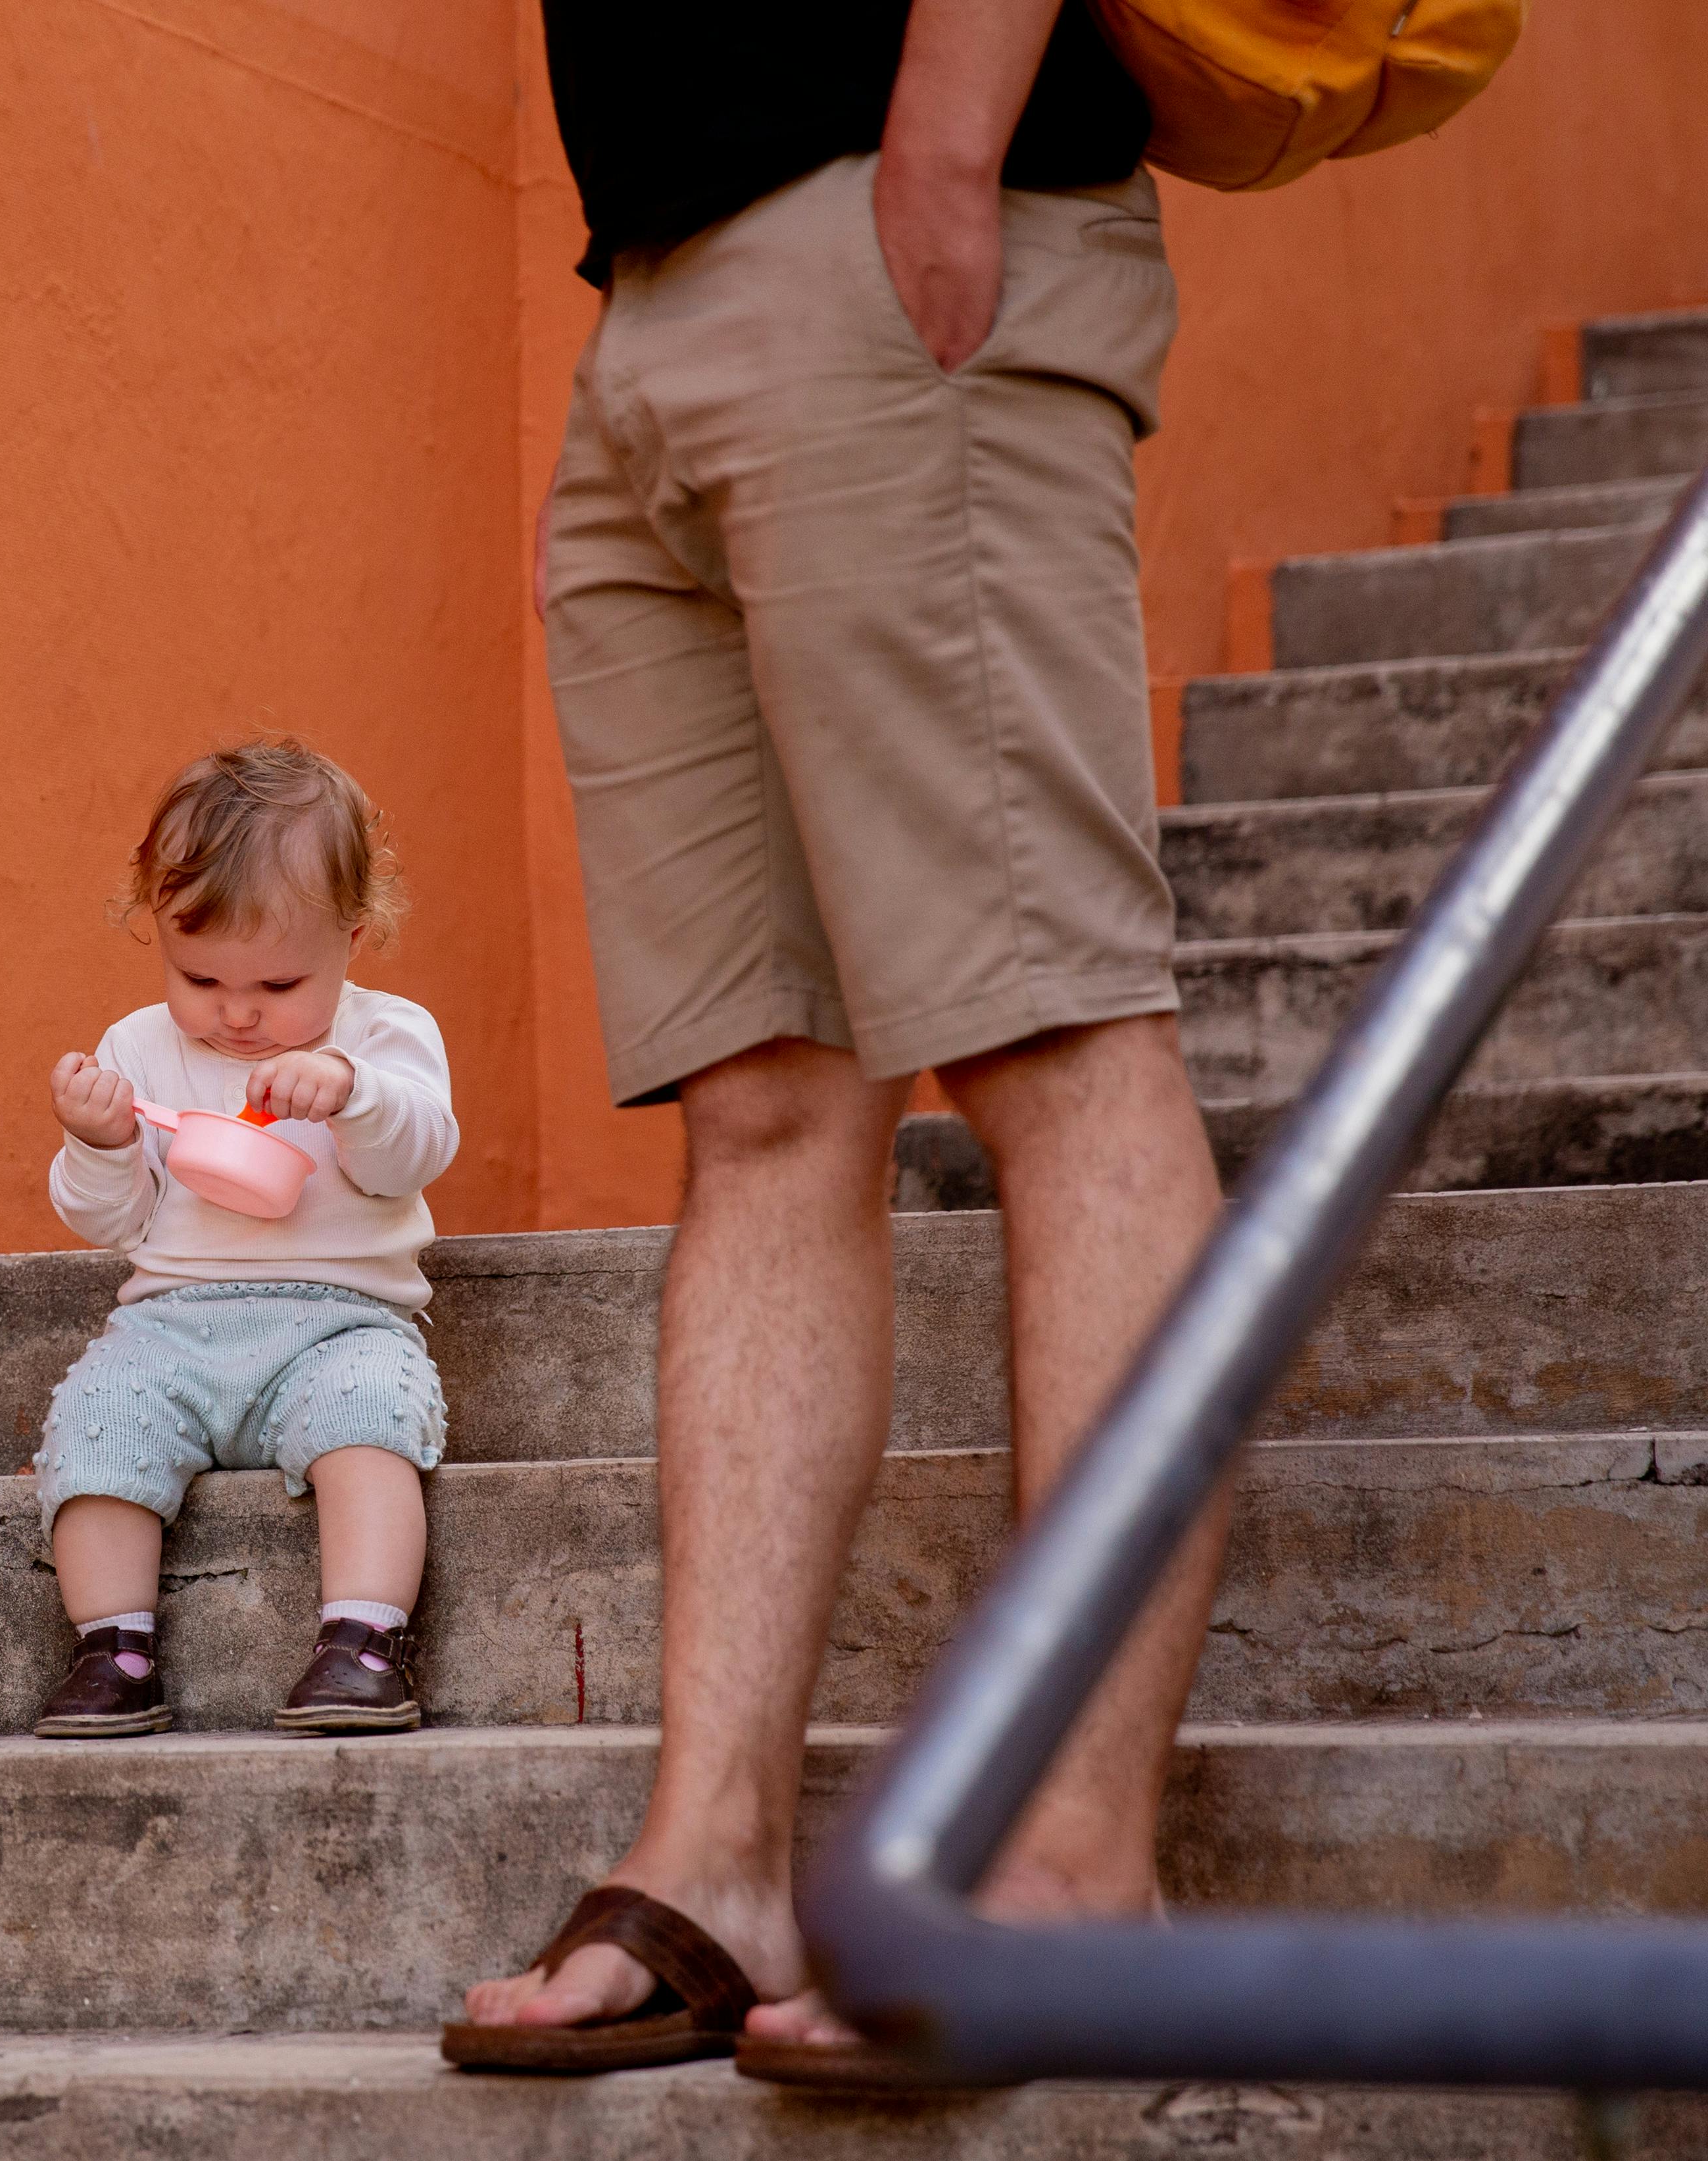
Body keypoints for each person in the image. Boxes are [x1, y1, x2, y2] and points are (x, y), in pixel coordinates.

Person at [439, 0, 1232, 2085]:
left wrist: (946, 145)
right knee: (769, 1102)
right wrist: (635, 338)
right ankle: (717, 1859)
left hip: (895, 225)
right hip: (676, 299)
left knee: (1054, 1037)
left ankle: (1074, 1864)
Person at [29, 741, 460, 1740]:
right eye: (201, 975)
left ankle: (360, 1641)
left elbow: (417, 1153)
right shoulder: (140, 1046)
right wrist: (97, 1143)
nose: (236, 1014)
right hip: (172, 1324)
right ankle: (113, 1648)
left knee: (370, 1422)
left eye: (277, 986)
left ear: (353, 937)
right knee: (100, 1416)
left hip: (340, 1321)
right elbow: (113, 1220)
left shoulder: (385, 1039)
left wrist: (352, 1096)